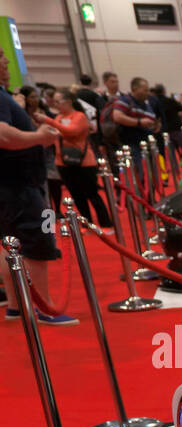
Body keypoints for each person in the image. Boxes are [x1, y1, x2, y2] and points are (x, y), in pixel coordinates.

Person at [0, 50, 77, 325]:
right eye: (1, 58)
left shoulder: (5, 96)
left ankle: (15, 306)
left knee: (10, 245)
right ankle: (44, 308)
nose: (7, 63)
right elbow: (2, 134)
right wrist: (38, 137)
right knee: (37, 241)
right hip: (20, 186)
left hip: (15, 186)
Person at [39, 88, 112, 228]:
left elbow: (71, 131)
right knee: (77, 195)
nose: (56, 104)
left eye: (58, 101)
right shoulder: (59, 118)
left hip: (84, 162)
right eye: (54, 102)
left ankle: (105, 222)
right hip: (63, 162)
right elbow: (55, 133)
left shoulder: (79, 116)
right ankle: (87, 222)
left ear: (68, 101)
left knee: (92, 193)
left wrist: (48, 121)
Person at [108, 77, 159, 171]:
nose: (147, 93)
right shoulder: (125, 100)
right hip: (132, 143)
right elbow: (117, 116)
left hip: (146, 142)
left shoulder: (145, 103)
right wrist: (139, 122)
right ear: (135, 89)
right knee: (140, 171)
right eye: (145, 90)